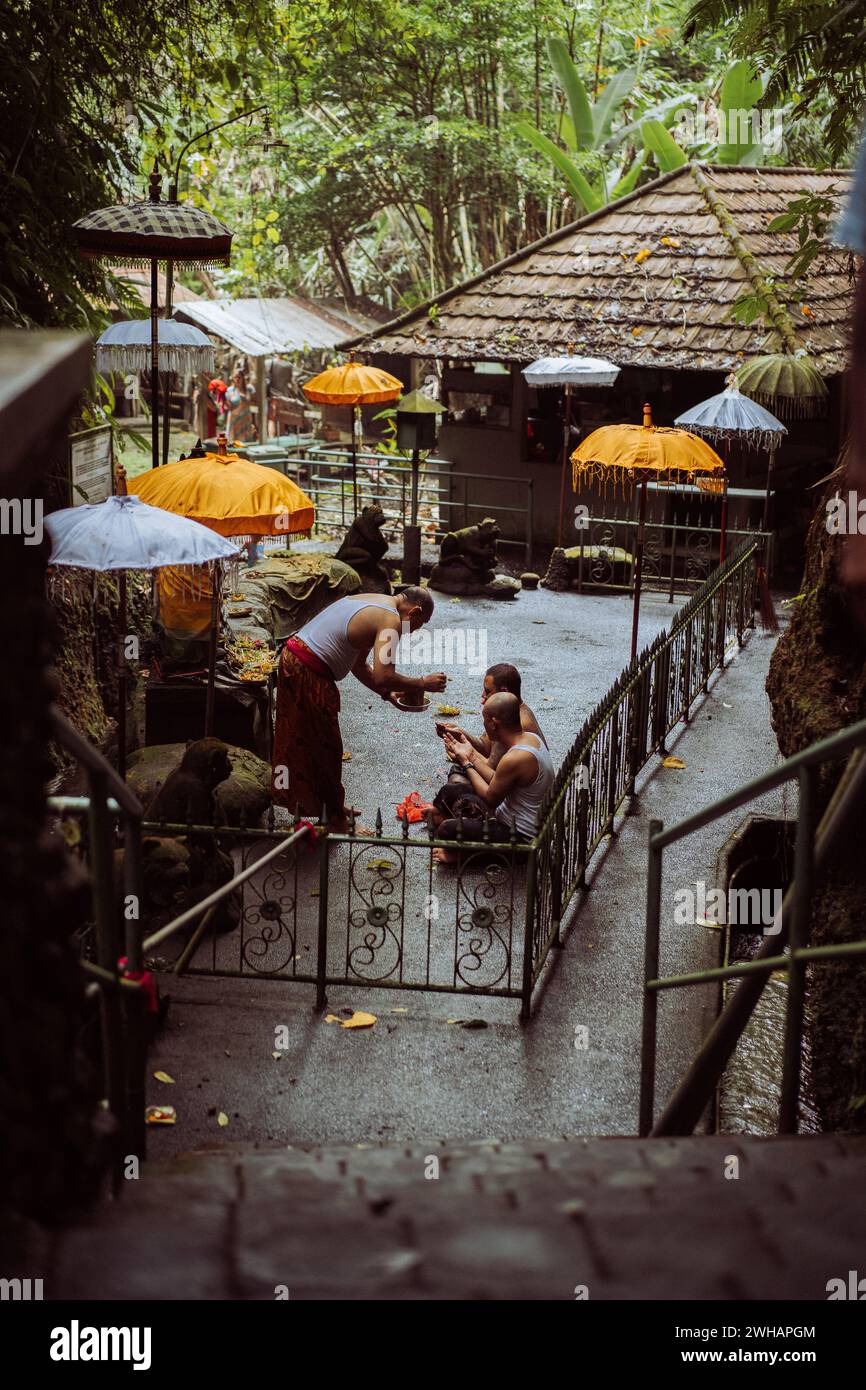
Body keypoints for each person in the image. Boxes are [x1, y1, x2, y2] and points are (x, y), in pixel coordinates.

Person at [272, 587, 446, 830]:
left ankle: (330, 805)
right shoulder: (391, 620)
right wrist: (422, 683)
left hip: (296, 659)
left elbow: (359, 666)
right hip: (306, 669)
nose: (414, 630)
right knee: (326, 746)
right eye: (419, 624)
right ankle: (336, 820)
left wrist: (387, 694)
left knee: (311, 741)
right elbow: (384, 675)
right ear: (415, 611)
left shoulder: (378, 603)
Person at [431, 692, 554, 863]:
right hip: (507, 813)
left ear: (494, 724)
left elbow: (490, 798)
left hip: (520, 837)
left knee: (447, 829)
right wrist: (470, 753)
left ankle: (467, 856)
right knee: (449, 791)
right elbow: (497, 778)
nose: (484, 725)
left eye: (485, 720)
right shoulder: (529, 738)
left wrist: (466, 762)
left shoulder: (516, 757)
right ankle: (449, 815)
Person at [225, 366, 255, 443]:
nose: (237, 379)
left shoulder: (249, 389)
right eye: (235, 377)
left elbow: (256, 403)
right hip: (234, 420)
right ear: (233, 379)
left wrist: (246, 402)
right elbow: (227, 407)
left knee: (246, 442)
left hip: (246, 419)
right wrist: (226, 403)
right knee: (233, 442)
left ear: (243, 378)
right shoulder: (230, 390)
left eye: (239, 377)